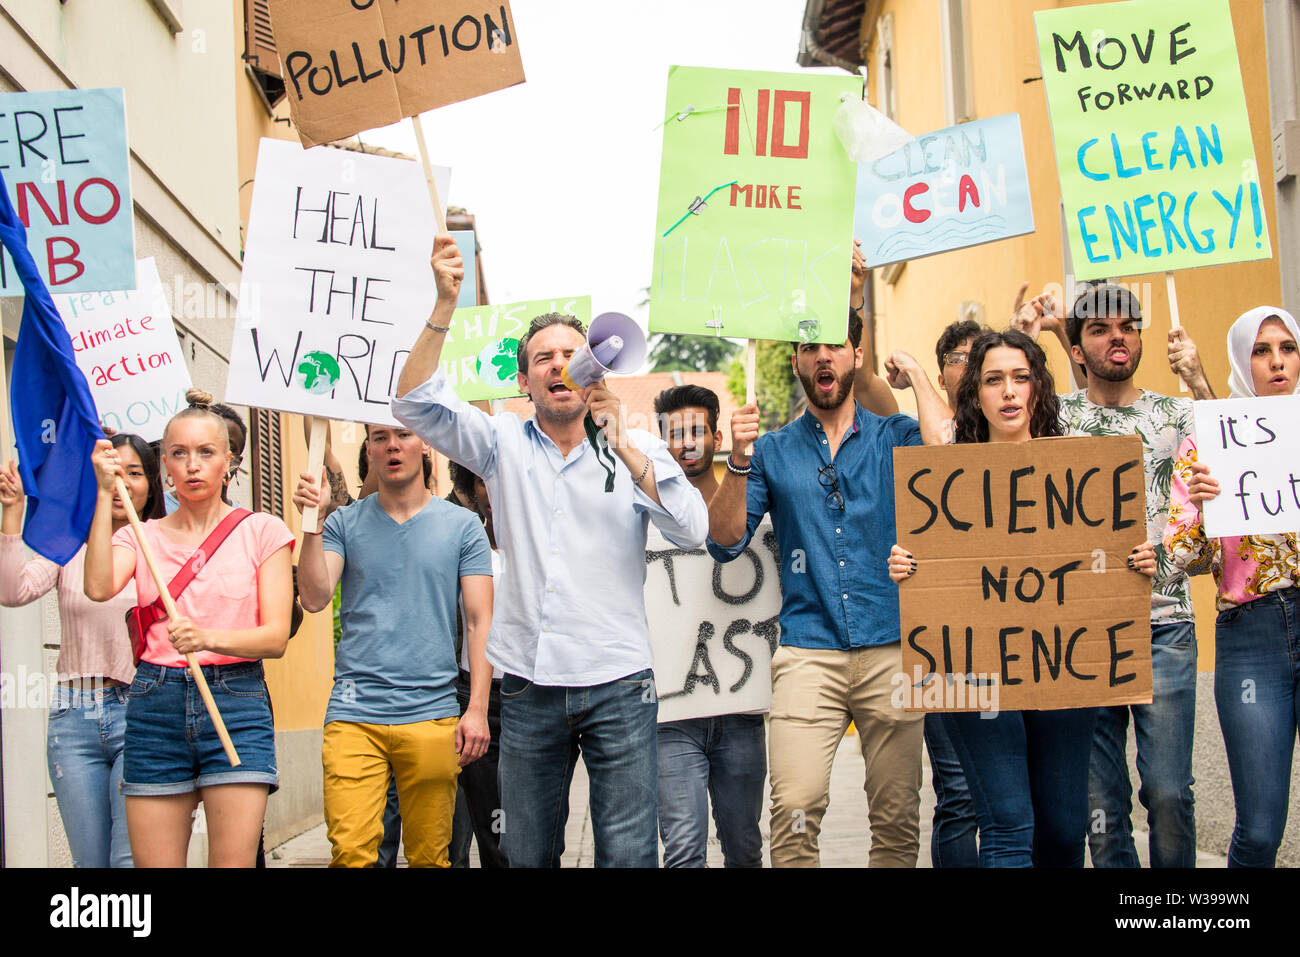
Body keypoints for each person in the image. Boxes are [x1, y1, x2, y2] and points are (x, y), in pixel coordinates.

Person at [391, 233, 707, 868]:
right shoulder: (498, 443)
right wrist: (444, 307)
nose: (559, 365)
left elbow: (692, 530)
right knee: (527, 855)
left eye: (571, 353)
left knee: (627, 856)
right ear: (524, 378)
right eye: (544, 358)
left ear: (596, 367)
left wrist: (625, 445)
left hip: (620, 683)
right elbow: (413, 401)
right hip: (528, 687)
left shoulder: (638, 444)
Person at [887, 330, 1157, 867]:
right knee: (1009, 826)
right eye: (993, 380)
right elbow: (936, 565)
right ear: (976, 395)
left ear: (1037, 388)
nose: (1008, 391)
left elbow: (1104, 560)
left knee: (1061, 830)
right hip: (975, 671)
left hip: (1064, 669)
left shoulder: (1082, 467)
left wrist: (1138, 561)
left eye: (1020, 377)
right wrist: (907, 565)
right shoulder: (947, 476)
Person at [708, 308, 938, 868]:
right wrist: (737, 461)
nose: (823, 357)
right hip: (808, 651)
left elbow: (948, 461)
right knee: (794, 809)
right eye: (810, 349)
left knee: (897, 819)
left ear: (856, 356)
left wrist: (919, 378)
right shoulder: (770, 451)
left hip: (891, 646)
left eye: (835, 346)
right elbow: (723, 541)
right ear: (796, 362)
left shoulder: (897, 435)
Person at [83, 389, 294, 867]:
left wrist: (208, 638)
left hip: (236, 700)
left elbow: (275, 637)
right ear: (166, 468)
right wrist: (102, 493)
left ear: (229, 462)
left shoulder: (263, 531)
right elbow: (97, 585)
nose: (193, 465)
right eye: (178, 453)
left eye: (206, 452)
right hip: (154, 703)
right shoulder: (140, 535)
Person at [293, 423, 493, 868]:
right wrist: (313, 524)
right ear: (369, 448)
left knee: (431, 857)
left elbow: (480, 622)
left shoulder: (463, 527)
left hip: (432, 713)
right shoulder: (343, 523)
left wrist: (476, 709)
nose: (392, 446)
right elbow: (314, 597)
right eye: (380, 437)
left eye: (403, 435)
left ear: (424, 444)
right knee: (350, 855)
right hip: (353, 713)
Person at [1164, 306, 1300, 868]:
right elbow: (1182, 557)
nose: (1276, 362)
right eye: (1261, 351)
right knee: (1261, 830)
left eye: (1287, 348)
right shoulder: (1207, 445)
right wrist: (1202, 504)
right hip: (1253, 639)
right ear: (1243, 362)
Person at [0, 433, 164, 868]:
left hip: (142, 708)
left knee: (131, 860)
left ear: (151, 484)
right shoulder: (70, 543)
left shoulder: (163, 543)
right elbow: (14, 591)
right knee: (89, 864)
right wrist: (13, 515)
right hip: (73, 716)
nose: (124, 482)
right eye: (115, 471)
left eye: (135, 473)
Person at [652, 384, 766, 868]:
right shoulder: (643, 509)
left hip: (740, 711)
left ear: (718, 435)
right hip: (669, 717)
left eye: (697, 430)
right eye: (675, 433)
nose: (687, 442)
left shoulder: (752, 504)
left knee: (744, 847)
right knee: (683, 850)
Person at [446, 459, 508, 869]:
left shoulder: (546, 545)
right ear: (470, 491)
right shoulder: (461, 548)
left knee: (535, 829)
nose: (495, 491)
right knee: (488, 826)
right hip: (474, 695)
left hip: (537, 696)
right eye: (483, 483)